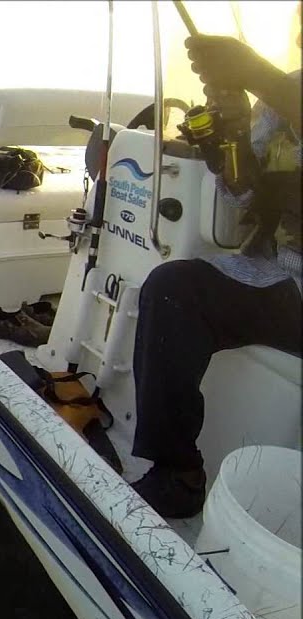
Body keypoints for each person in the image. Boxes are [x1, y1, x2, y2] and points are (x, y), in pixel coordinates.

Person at [129, 32, 302, 519]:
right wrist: (227, 150)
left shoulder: (279, 88)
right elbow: (243, 202)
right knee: (171, 288)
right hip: (270, 273)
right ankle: (178, 473)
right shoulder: (280, 95)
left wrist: (257, 75)